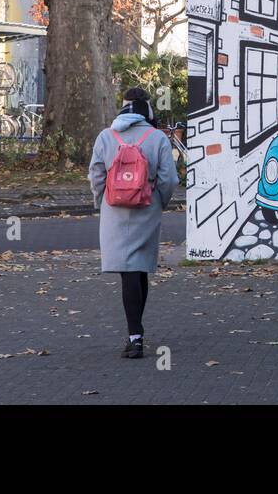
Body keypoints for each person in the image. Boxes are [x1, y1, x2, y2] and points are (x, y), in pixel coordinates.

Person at [87, 87, 178, 359]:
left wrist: (100, 201)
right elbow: (169, 179)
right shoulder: (157, 138)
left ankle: (135, 336)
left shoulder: (106, 136)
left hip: (114, 211)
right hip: (146, 207)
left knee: (128, 271)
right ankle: (136, 333)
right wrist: (159, 201)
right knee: (139, 269)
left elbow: (96, 176)